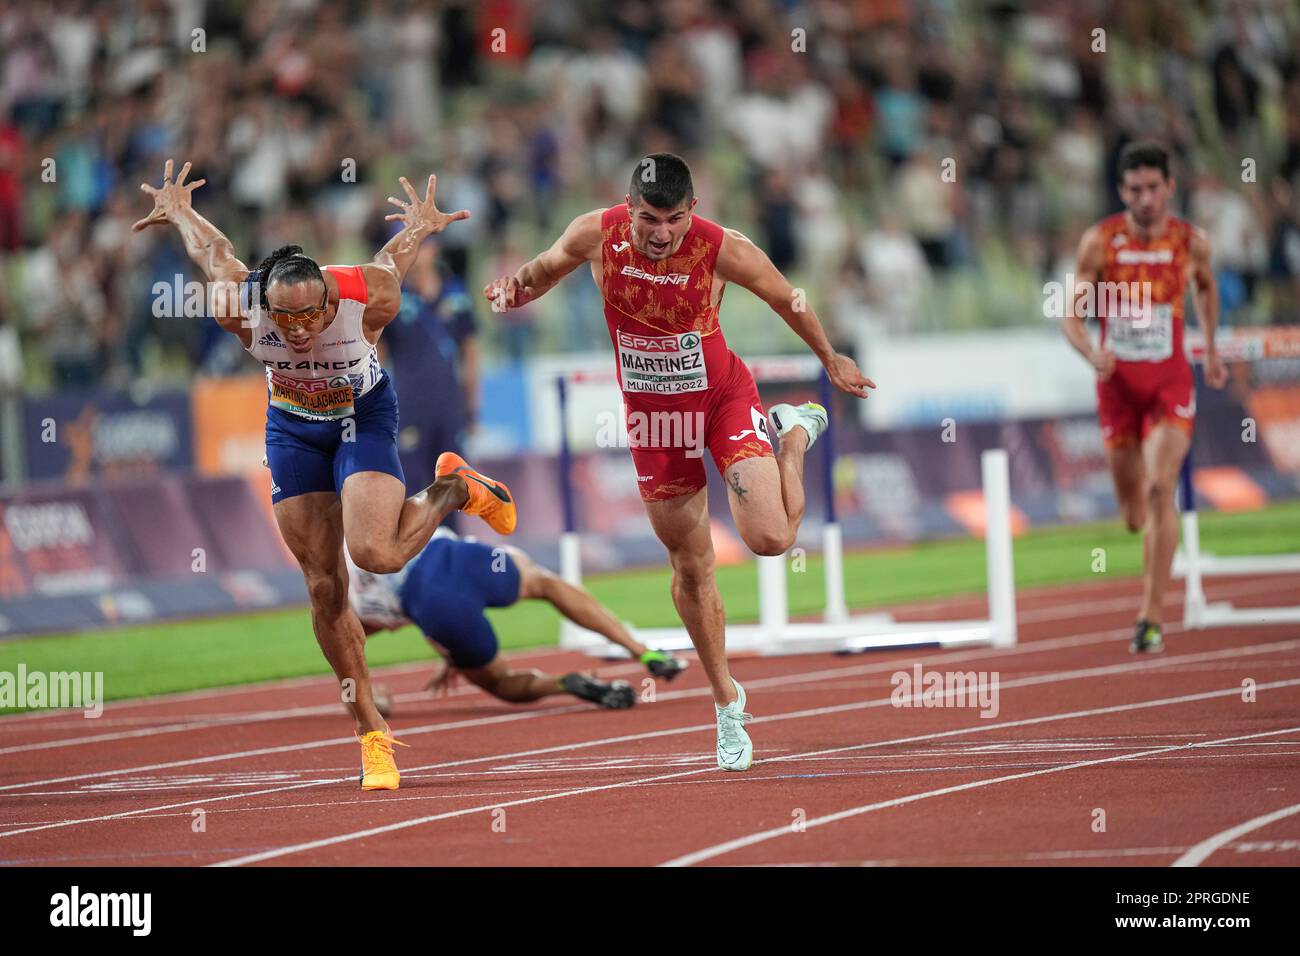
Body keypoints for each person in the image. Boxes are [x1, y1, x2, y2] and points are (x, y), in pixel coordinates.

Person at [132, 161, 517, 791]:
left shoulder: (368, 295)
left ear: (330, 298)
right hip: (292, 429)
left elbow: (394, 257)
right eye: (288, 320)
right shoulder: (240, 305)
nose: (303, 328)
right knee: (324, 587)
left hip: (362, 417)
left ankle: (453, 488)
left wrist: (419, 225)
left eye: (312, 314)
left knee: (377, 553)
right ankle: (372, 736)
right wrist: (180, 212)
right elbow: (215, 252)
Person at [484, 153, 875, 771]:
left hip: (722, 398)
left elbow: (786, 297)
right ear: (629, 209)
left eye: (672, 220)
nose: (659, 233)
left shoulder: (725, 248)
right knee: (691, 567)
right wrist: (515, 288)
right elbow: (544, 267)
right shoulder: (595, 233)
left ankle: (793, 437)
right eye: (647, 219)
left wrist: (830, 359)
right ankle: (727, 706)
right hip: (654, 420)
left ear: (691, 211)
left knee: (771, 538)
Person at [1062, 141, 1228, 653]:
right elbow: (1071, 314)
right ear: (1122, 191)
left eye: (1154, 187)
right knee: (1134, 513)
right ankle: (1146, 572)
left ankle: (1150, 617)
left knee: (1162, 489)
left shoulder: (1189, 242)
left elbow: (1205, 286)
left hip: (1169, 384)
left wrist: (1212, 347)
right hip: (1117, 391)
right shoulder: (1101, 242)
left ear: (1169, 188)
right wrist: (1090, 351)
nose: (1146, 198)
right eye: (1135, 189)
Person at [348, 519, 689, 713]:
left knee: (499, 681)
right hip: (455, 555)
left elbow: (347, 647)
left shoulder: (343, 593)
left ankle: (562, 684)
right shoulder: (365, 502)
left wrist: (366, 701)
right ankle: (641, 649)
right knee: (545, 583)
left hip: (433, 606)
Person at [381, 240, 480, 496]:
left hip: (449, 404)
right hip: (409, 406)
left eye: (420, 247)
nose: (414, 256)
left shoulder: (457, 296)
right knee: (413, 487)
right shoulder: (394, 300)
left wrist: (472, 406)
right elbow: (378, 355)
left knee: (453, 487)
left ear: (434, 249)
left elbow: (470, 353)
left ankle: (450, 537)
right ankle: (421, 539)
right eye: (407, 249)